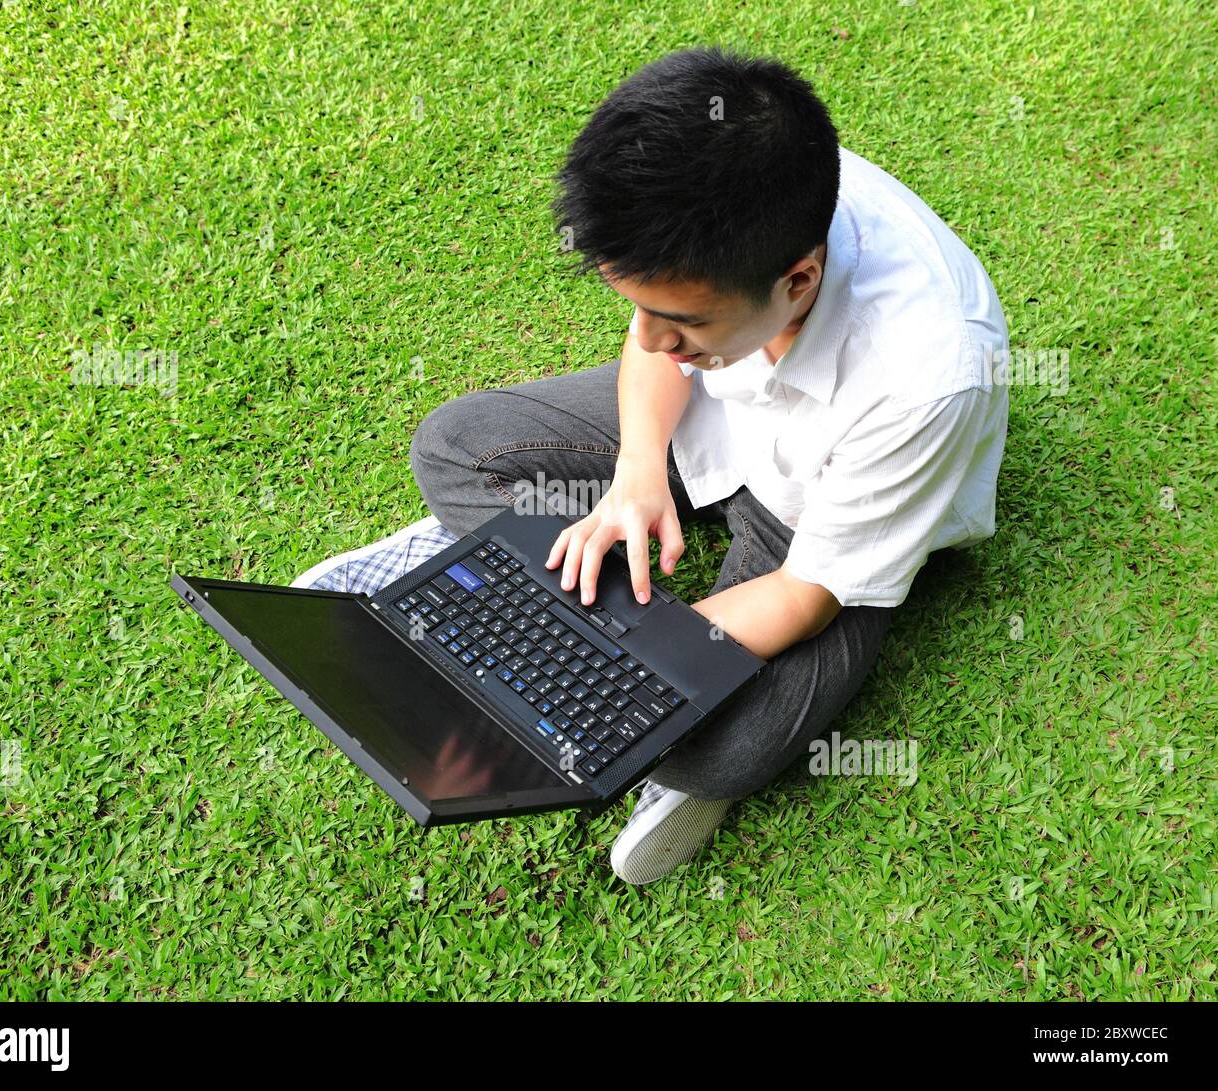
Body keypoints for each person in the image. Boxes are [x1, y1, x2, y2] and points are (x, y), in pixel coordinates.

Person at [342, 46, 1007, 884]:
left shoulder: (924, 381)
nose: (649, 341)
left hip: (815, 518)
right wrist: (635, 470)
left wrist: (627, 671)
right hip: (714, 430)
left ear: (797, 280)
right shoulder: (738, 208)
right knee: (454, 446)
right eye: (636, 308)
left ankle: (508, 575)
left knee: (726, 751)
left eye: (679, 322)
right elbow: (651, 349)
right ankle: (521, 569)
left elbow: (807, 593)